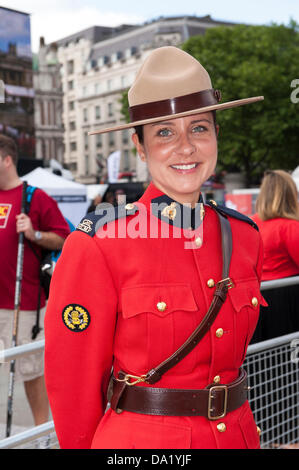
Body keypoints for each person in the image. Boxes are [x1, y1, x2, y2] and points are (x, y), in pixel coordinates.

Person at [45, 46, 266, 449]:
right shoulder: (100, 244)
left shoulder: (246, 235)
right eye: (164, 132)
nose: (185, 147)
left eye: (199, 127)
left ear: (217, 134)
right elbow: (72, 384)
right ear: (140, 146)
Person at [0, 134, 70, 428]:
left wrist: (34, 234)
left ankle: (41, 432)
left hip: (23, 305)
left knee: (30, 372)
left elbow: (65, 238)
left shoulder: (34, 197)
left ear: (6, 160)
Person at [251, 170, 299, 343]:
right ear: (290, 194)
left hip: (257, 296)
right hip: (286, 298)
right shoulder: (290, 227)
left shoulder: (251, 224)